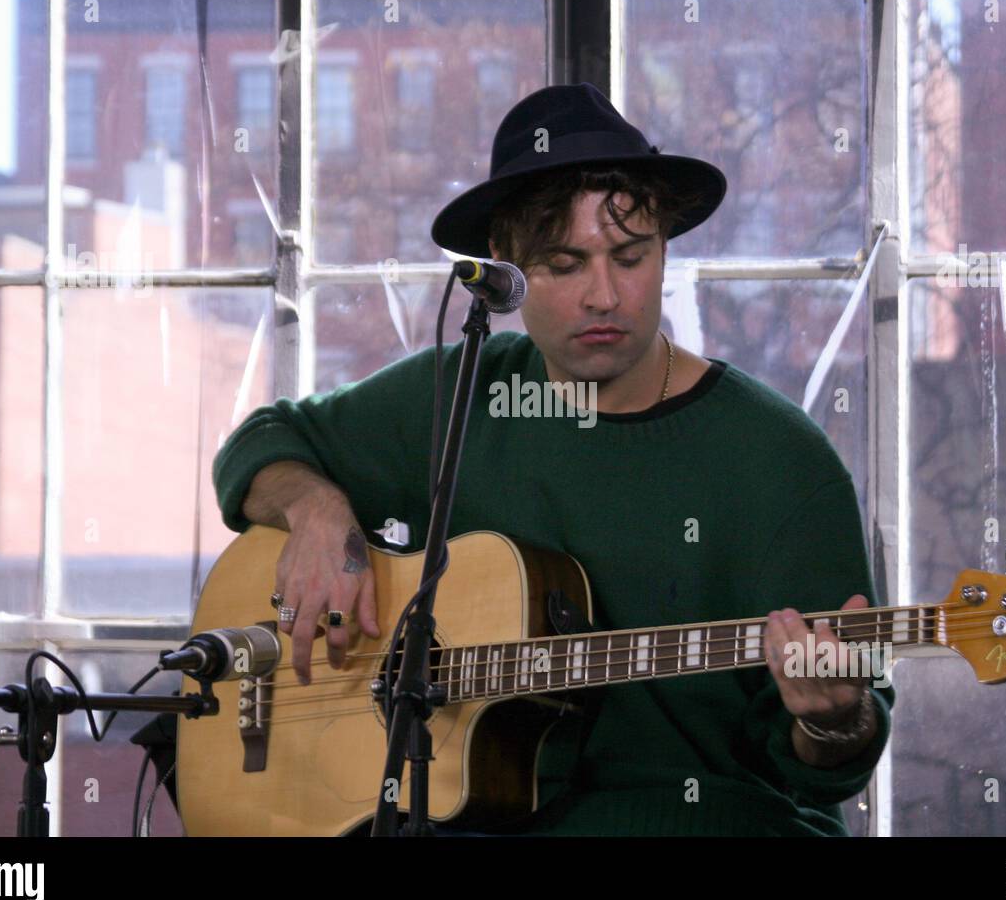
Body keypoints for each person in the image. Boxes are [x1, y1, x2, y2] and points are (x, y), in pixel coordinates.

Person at [212, 82, 894, 836]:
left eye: (629, 257)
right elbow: (259, 444)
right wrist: (315, 512)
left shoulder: (779, 461)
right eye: (565, 265)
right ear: (503, 267)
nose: (604, 295)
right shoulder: (463, 392)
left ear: (664, 250)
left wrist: (833, 719)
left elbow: (829, 761)